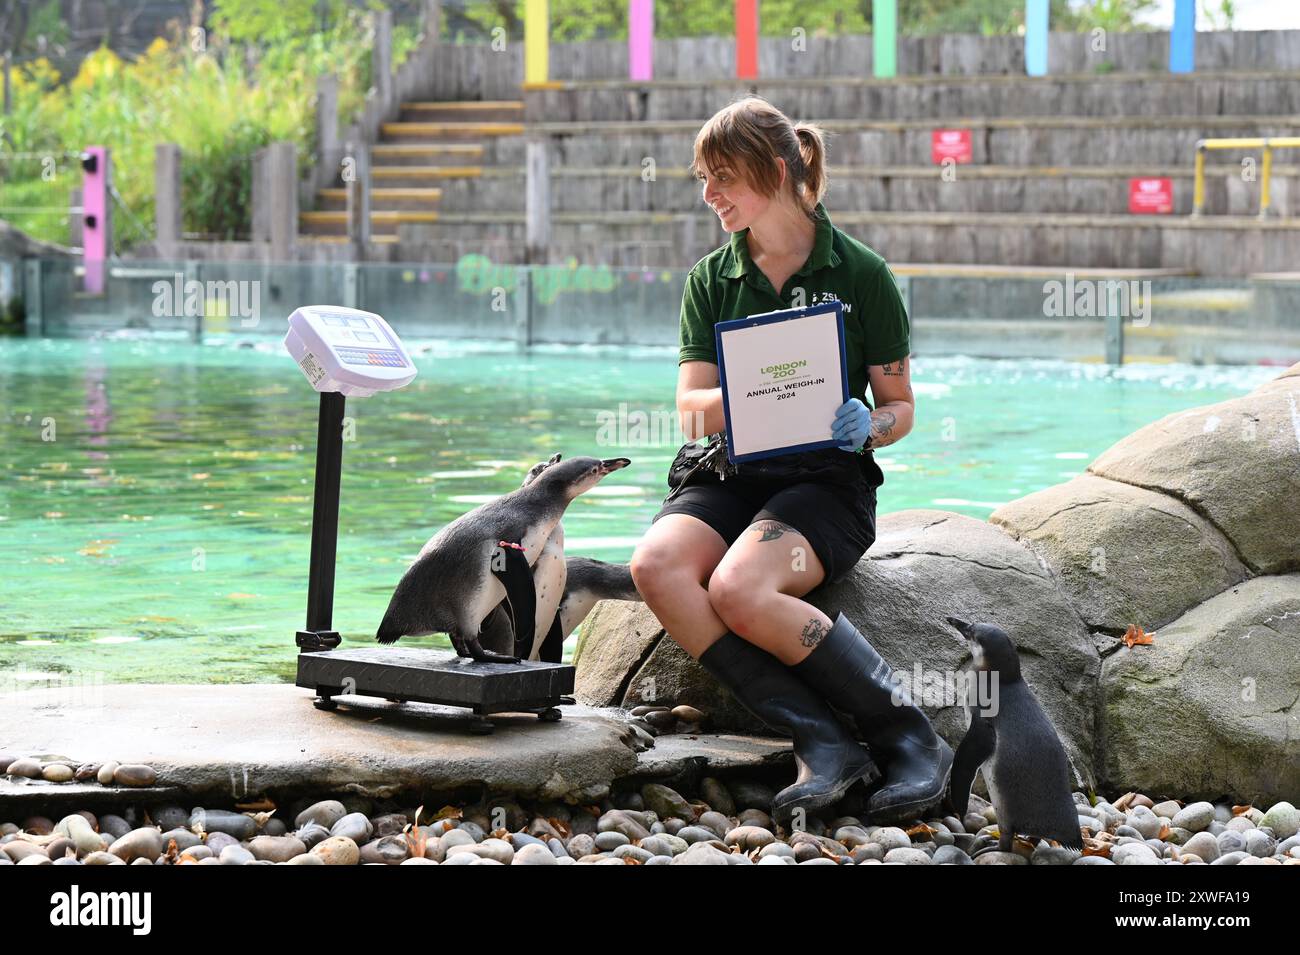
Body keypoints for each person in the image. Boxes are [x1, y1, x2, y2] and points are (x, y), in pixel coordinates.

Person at [629, 96, 952, 826]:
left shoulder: (862, 274)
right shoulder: (713, 278)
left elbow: (902, 407)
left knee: (742, 588)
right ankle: (823, 737)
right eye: (702, 179)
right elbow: (689, 406)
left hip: (824, 483)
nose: (708, 195)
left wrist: (867, 423)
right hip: (731, 472)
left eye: (721, 178)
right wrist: (758, 387)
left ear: (774, 171)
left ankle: (910, 735)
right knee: (656, 565)